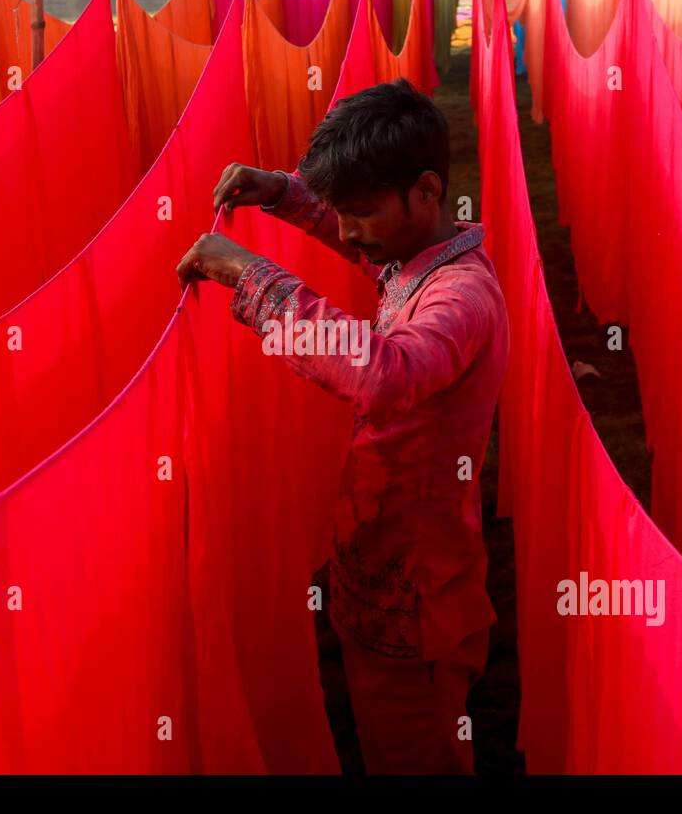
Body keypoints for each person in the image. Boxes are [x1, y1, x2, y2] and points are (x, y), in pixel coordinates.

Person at [176, 79, 509, 774]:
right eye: (340, 211)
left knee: (416, 752)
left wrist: (251, 277)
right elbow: (354, 236)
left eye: (360, 212)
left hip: (418, 594)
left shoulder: (462, 296)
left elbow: (384, 374)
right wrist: (281, 192)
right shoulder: (411, 258)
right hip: (389, 567)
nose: (350, 231)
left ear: (425, 191)